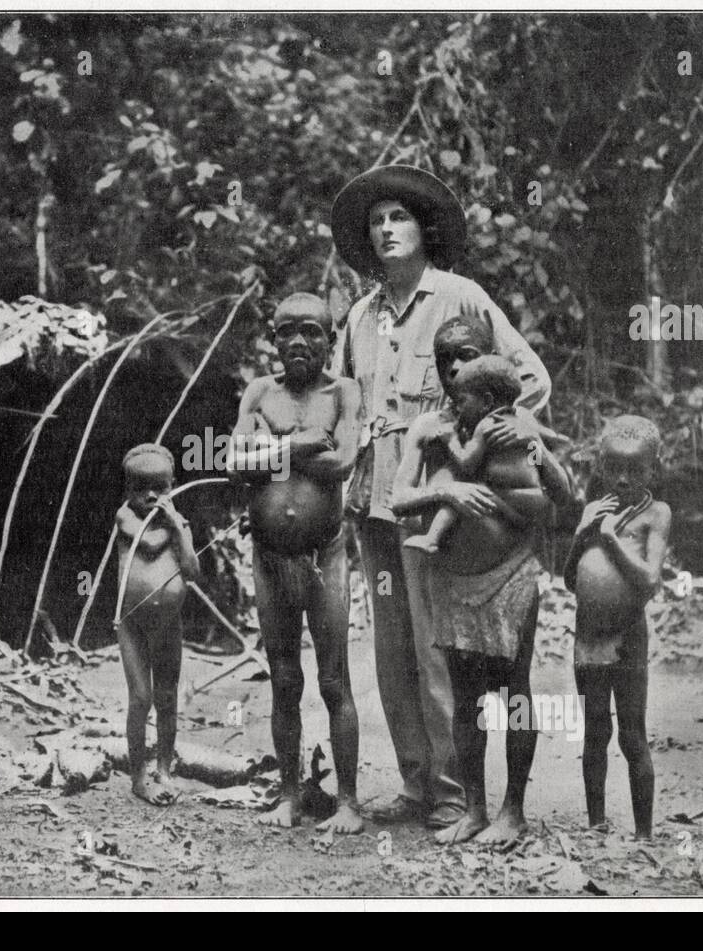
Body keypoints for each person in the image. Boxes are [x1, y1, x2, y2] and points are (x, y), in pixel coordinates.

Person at [331, 165, 568, 829]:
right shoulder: (359, 317)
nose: (386, 230)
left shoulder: (459, 298)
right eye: (377, 222)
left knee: (438, 649)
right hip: (378, 500)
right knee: (391, 650)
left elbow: (529, 379)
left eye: (398, 218)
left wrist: (491, 453)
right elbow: (342, 406)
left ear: (423, 229)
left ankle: (452, 793)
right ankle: (414, 785)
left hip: (442, 500)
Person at [390, 326, 553, 845]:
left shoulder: (515, 424)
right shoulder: (428, 428)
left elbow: (559, 494)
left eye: (467, 357)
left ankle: (514, 811)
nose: (454, 369)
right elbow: (397, 499)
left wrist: (537, 454)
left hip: (511, 573)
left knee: (515, 691)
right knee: (466, 700)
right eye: (445, 360)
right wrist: (454, 492)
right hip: (454, 579)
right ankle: (475, 808)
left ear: (486, 363)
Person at [226, 292, 365, 834]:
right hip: (269, 556)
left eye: (312, 331)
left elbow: (345, 461)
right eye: (288, 331)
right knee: (285, 679)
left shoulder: (344, 391)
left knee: (334, 680)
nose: (300, 341)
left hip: (323, 556)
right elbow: (235, 463)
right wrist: (304, 444)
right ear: (273, 338)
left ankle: (349, 801)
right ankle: (290, 795)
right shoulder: (260, 391)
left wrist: (274, 449)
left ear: (330, 341)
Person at [563, 416, 672, 840]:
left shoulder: (656, 514)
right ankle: (597, 824)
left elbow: (648, 580)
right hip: (588, 637)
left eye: (636, 469)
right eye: (614, 467)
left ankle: (644, 834)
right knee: (595, 732)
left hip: (628, 637)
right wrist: (583, 532)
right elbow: (571, 579)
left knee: (631, 735)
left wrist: (608, 538)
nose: (623, 478)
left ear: (653, 470)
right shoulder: (597, 510)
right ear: (601, 467)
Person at [114, 444, 200, 806]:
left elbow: (193, 571)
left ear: (172, 486)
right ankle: (138, 776)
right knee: (141, 699)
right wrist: (173, 521)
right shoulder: (126, 517)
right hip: (132, 625)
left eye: (159, 488)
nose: (150, 496)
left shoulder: (177, 525)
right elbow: (149, 542)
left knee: (167, 699)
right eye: (140, 488)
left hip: (168, 624)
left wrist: (181, 527)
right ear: (127, 490)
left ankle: (165, 769)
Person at [402, 354, 541, 554]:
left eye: (462, 401)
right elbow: (536, 459)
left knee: (463, 490)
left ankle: (432, 538)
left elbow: (467, 463)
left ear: (487, 401)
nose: (458, 408)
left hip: (503, 500)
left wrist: (451, 440)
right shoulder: (521, 421)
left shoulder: (486, 426)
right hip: (523, 505)